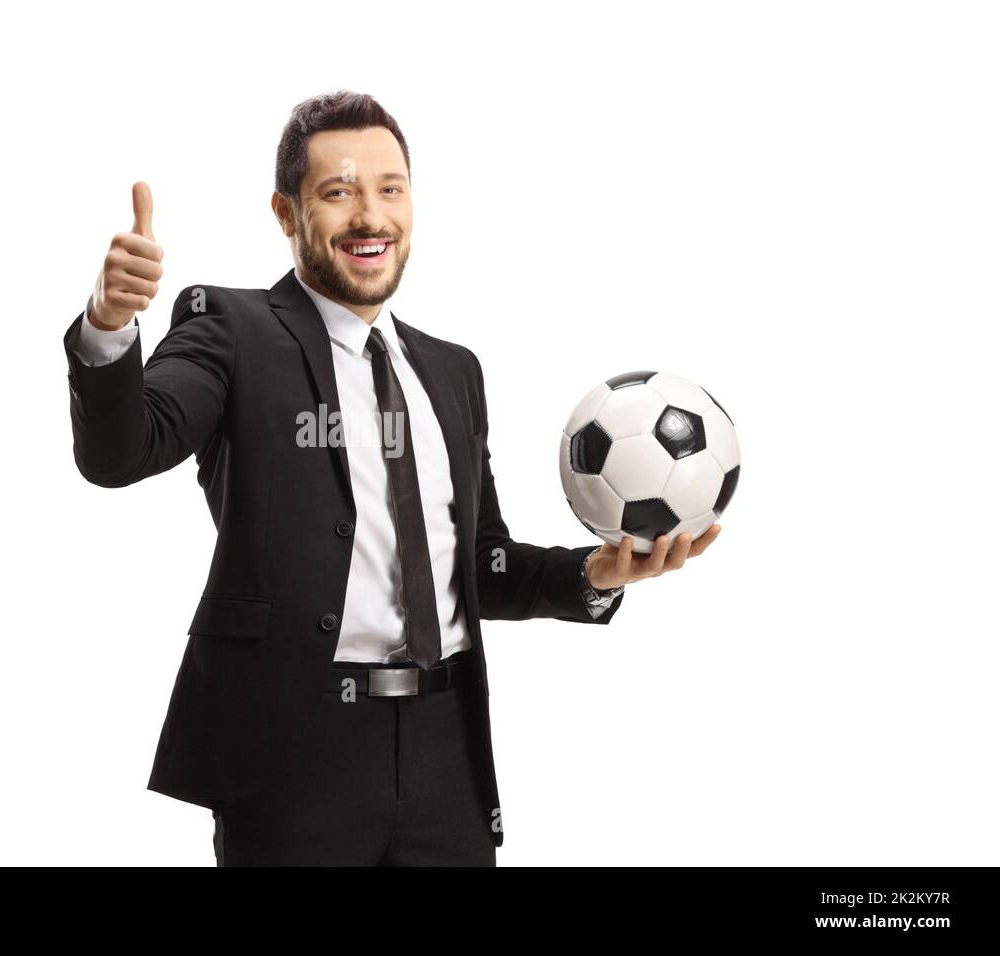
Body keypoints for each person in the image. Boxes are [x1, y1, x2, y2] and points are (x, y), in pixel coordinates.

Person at [61, 90, 720, 866]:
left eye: (390, 188)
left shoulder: (452, 370)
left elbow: (477, 563)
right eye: (338, 192)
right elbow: (123, 451)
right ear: (286, 213)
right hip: (293, 752)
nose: (370, 217)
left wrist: (593, 573)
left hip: (447, 752)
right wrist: (109, 326)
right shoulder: (230, 328)